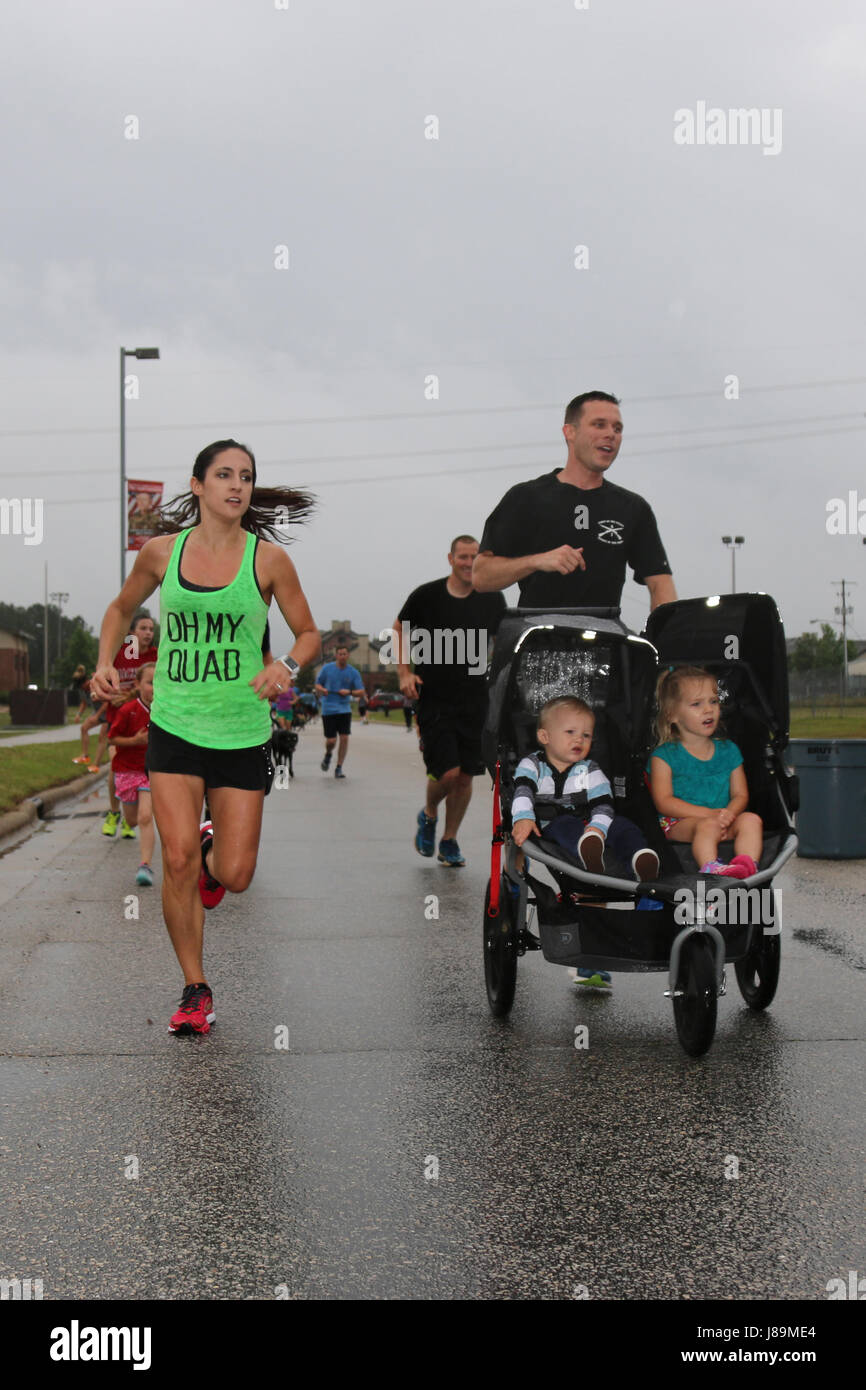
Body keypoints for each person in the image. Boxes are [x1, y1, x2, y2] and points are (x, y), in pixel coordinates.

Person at [91, 439, 320, 1036]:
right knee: (177, 859)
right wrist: (104, 661)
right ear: (198, 485)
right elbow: (118, 609)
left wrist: (285, 669)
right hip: (176, 726)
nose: (236, 485)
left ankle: (214, 862)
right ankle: (195, 988)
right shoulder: (163, 552)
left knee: (236, 874)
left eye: (245, 476)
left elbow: (308, 635)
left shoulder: (266, 561)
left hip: (242, 731)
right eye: (224, 475)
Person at [473, 391, 677, 612]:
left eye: (617, 429)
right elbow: (481, 576)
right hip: (538, 639)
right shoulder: (526, 497)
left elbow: (661, 585)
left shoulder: (634, 508)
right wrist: (537, 561)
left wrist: (666, 638)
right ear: (569, 432)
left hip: (604, 640)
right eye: (599, 425)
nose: (611, 434)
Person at [395, 535, 506, 867]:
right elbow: (399, 629)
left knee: (466, 776)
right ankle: (429, 813)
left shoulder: (492, 599)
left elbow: (503, 643)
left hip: (475, 700)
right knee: (447, 773)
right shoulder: (427, 596)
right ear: (450, 558)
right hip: (434, 697)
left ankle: (449, 840)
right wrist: (404, 673)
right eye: (463, 556)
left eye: (475, 556)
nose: (469, 562)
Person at [511, 696, 659, 881]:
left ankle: (640, 859)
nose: (579, 739)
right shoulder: (532, 765)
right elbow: (523, 791)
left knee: (623, 827)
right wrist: (523, 817)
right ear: (545, 736)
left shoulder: (590, 769)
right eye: (570, 732)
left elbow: (604, 804)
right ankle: (588, 854)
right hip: (552, 823)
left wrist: (597, 828)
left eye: (586, 735)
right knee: (566, 826)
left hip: (591, 821)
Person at [647, 666, 762, 877]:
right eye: (696, 704)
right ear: (672, 715)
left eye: (713, 701)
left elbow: (740, 794)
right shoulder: (664, 756)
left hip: (723, 818)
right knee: (708, 825)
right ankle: (712, 868)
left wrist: (730, 814)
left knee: (751, 820)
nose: (708, 710)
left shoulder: (729, 751)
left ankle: (747, 864)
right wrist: (711, 815)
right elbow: (664, 802)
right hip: (680, 822)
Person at [108, 662, 156, 886]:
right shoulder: (128, 710)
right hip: (127, 770)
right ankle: (125, 820)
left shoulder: (166, 712)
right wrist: (135, 741)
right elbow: (112, 738)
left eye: (160, 682)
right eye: (150, 683)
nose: (155, 688)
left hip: (151, 770)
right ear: (137, 685)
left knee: (146, 816)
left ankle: (145, 866)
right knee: (133, 820)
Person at [315, 644, 365, 778]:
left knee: (344, 738)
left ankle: (339, 767)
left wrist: (349, 691)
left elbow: (361, 691)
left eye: (345, 654)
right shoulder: (327, 669)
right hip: (329, 708)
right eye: (340, 654)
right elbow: (317, 684)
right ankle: (328, 754)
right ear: (336, 655)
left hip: (344, 709)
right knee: (331, 741)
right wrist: (322, 689)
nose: (342, 656)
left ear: (348, 655)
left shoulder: (353, 672)